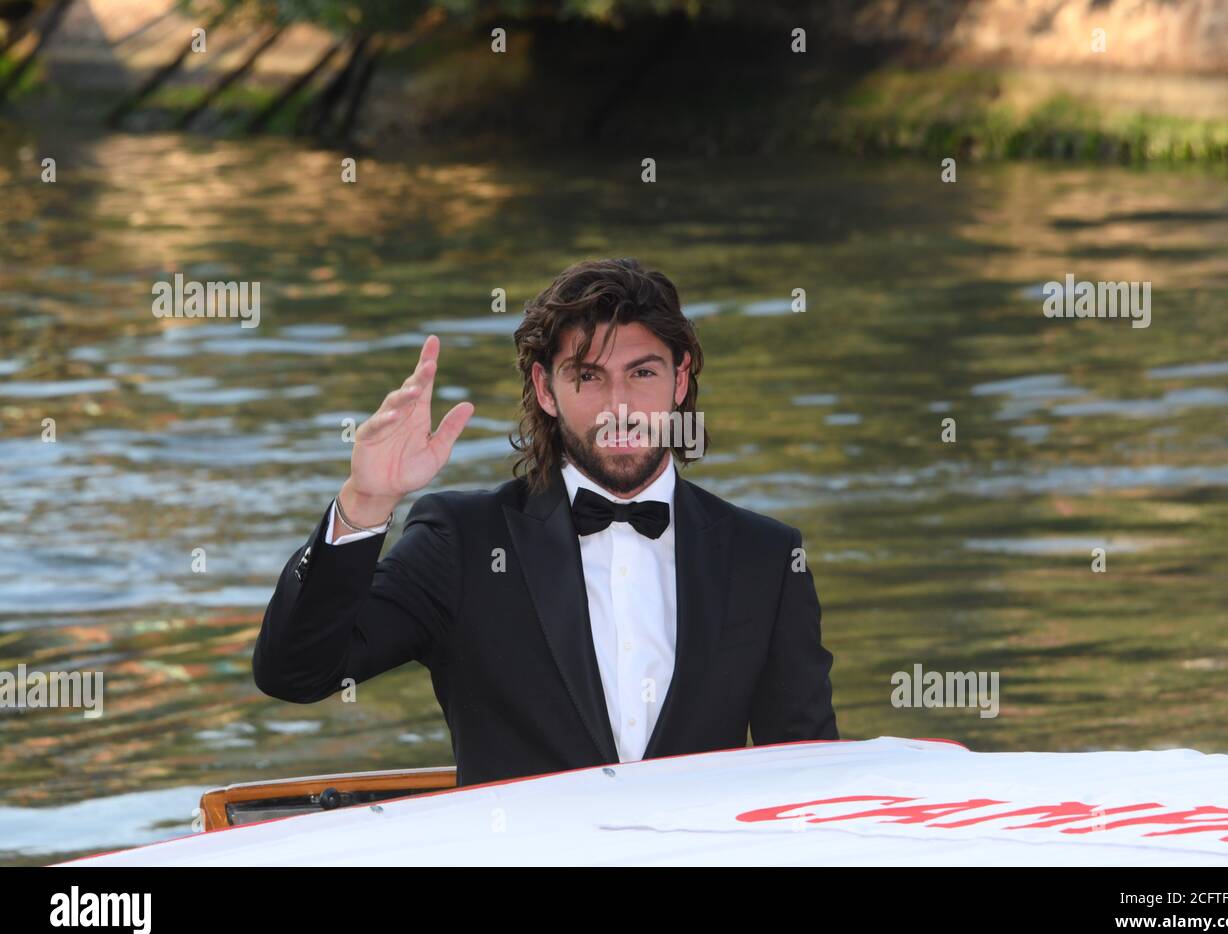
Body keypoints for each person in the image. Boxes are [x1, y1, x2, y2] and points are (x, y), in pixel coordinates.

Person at [253, 257, 838, 787]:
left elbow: (806, 776)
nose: (620, 406)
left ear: (679, 381)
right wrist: (365, 501)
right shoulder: (463, 541)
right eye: (588, 377)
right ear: (546, 388)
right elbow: (297, 673)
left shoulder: (766, 556)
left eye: (642, 373)